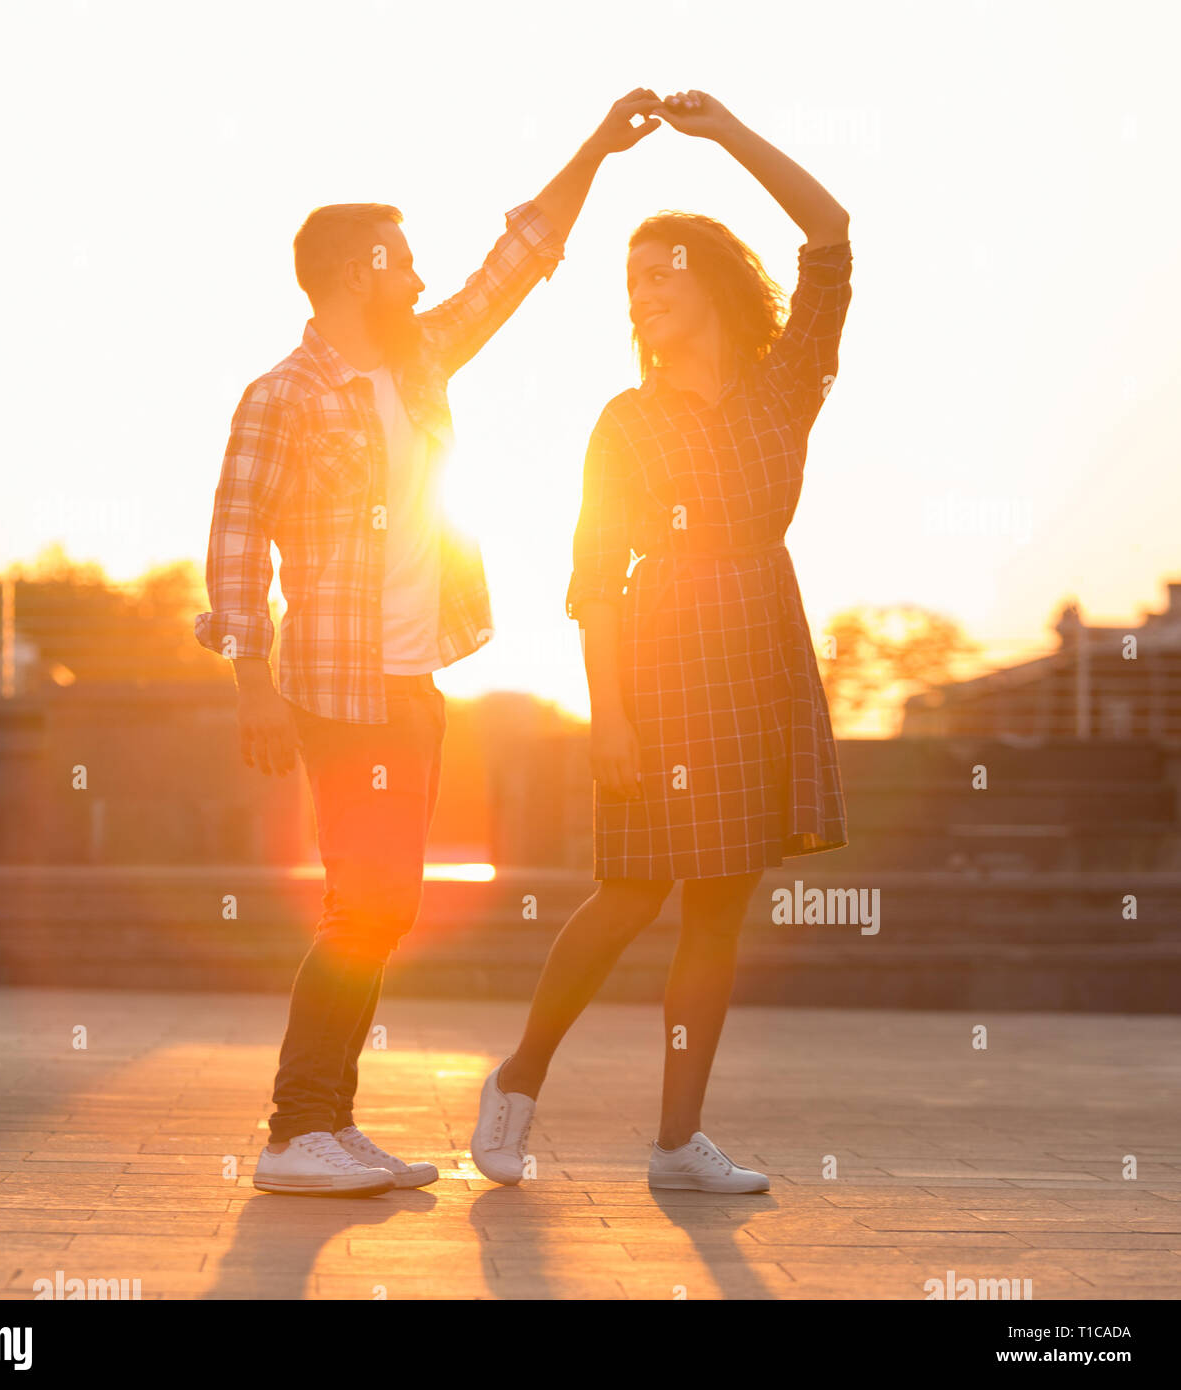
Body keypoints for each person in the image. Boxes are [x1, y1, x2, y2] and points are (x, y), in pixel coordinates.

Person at [195, 91, 664, 1196]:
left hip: (410, 683)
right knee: (367, 904)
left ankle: (325, 1119)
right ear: (358, 269)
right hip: (333, 687)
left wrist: (595, 145)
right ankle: (295, 1127)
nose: (419, 276)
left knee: (381, 904)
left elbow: (521, 259)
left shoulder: (416, 364)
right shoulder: (283, 395)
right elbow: (231, 541)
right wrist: (249, 681)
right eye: (402, 260)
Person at [471, 90, 853, 1194]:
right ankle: (519, 1078)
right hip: (657, 650)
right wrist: (612, 714)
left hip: (759, 644)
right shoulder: (623, 422)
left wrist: (726, 131)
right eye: (631, 275)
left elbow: (828, 235)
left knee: (720, 906)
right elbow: (594, 578)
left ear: (713, 280)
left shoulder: (786, 384)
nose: (641, 286)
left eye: (663, 264)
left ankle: (678, 1141)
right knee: (632, 892)